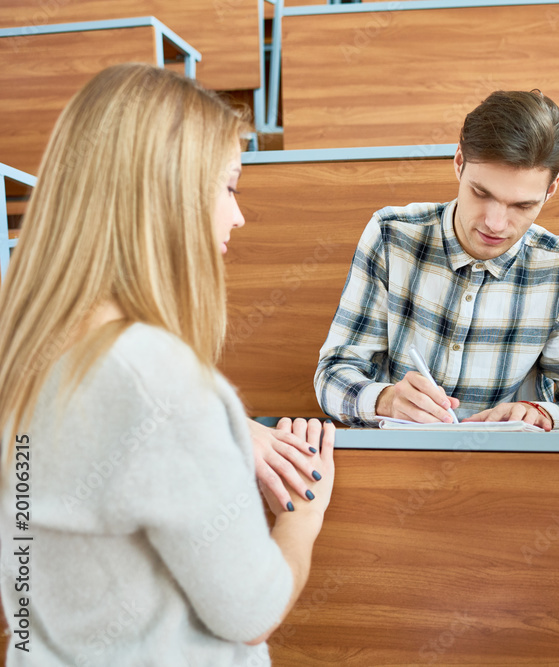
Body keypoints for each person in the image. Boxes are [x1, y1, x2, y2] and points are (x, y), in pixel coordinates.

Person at [0, 64, 334, 664]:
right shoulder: (156, 377)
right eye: (229, 187)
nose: (238, 216)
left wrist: (222, 439)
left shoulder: (25, 345)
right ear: (168, 193)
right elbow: (250, 611)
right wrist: (301, 521)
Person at [315, 90, 559, 431]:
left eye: (522, 206)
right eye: (482, 194)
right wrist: (386, 400)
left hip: (504, 468)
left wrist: (544, 416)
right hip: (395, 459)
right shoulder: (390, 235)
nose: (495, 224)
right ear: (459, 162)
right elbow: (333, 374)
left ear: (551, 189)